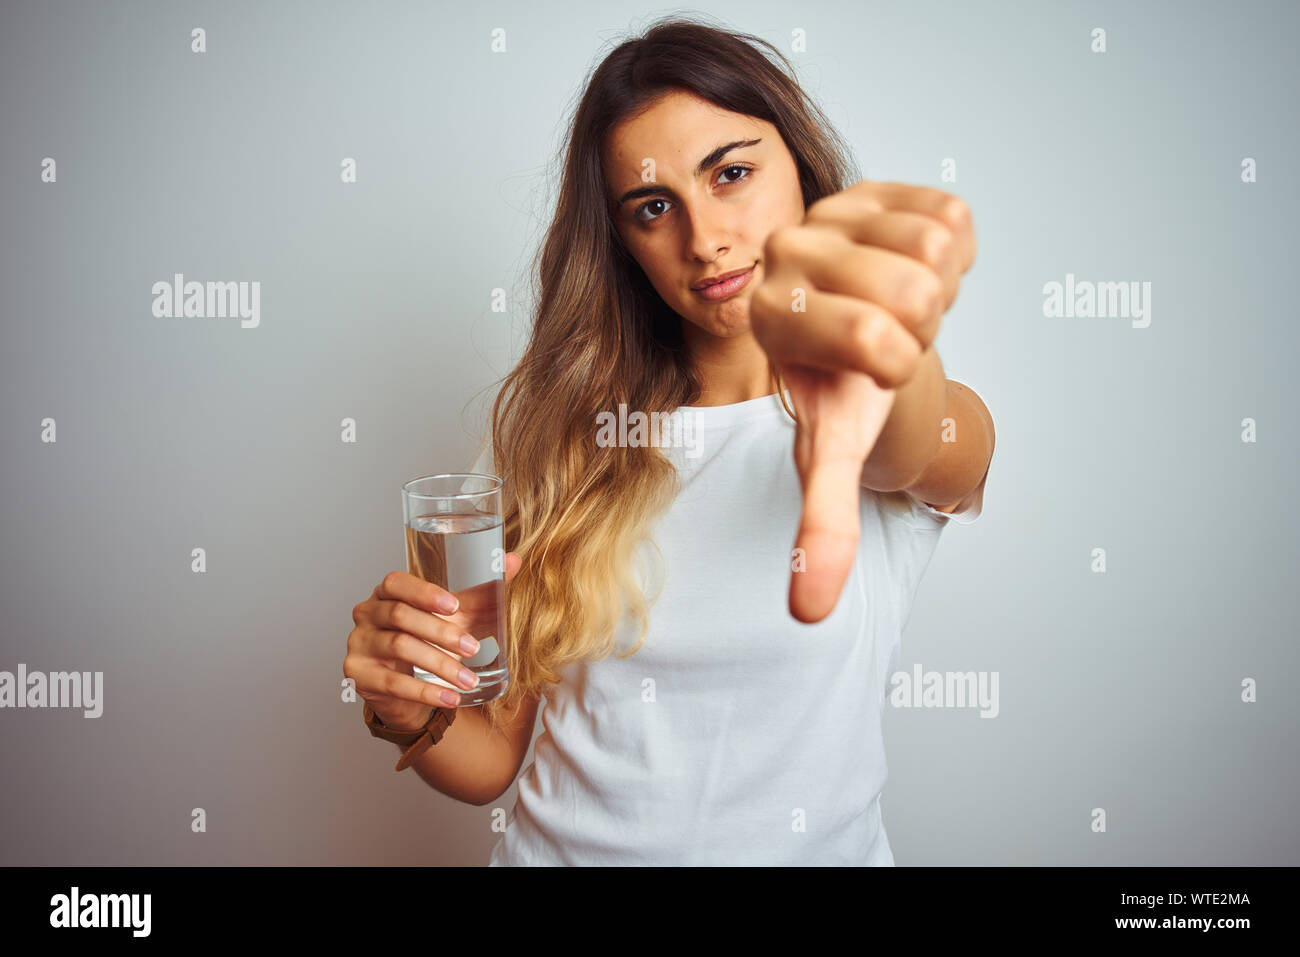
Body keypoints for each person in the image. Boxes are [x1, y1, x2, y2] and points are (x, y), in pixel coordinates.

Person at [344, 15, 994, 865]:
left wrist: (879, 321)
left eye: (732, 173)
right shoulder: (560, 439)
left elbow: (900, 450)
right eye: (655, 206)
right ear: (623, 242)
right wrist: (408, 708)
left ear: (800, 167)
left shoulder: (921, 415)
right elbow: (494, 755)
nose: (705, 237)